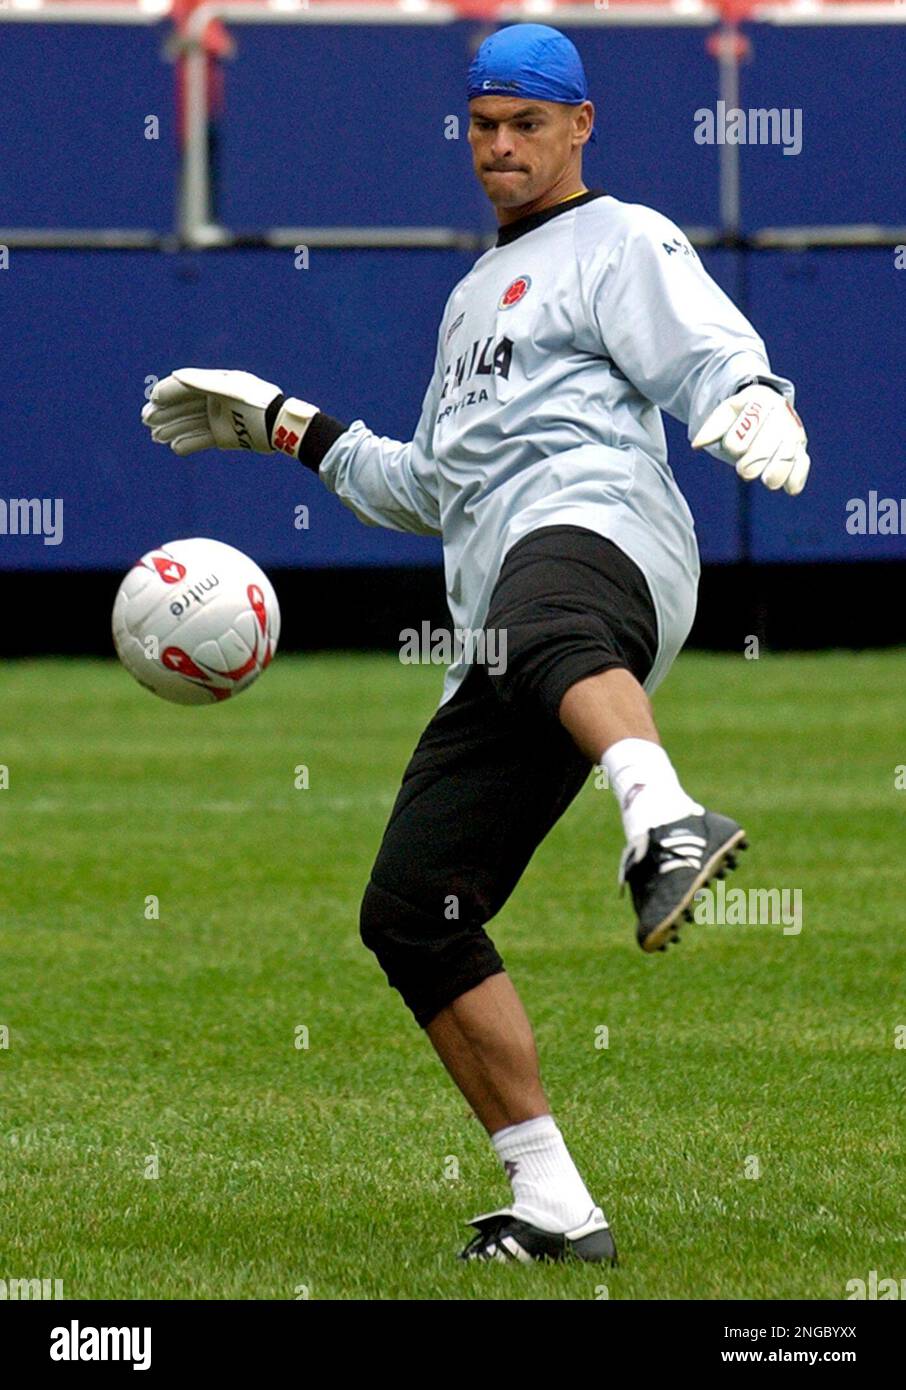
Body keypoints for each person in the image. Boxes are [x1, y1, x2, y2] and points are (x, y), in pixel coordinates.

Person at [142, 23, 810, 1266]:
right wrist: (284, 421)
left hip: (604, 547)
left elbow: (707, 349)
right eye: (484, 124)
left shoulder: (623, 236)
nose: (501, 146)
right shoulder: (466, 303)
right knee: (413, 909)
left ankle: (664, 816)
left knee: (541, 610)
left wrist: (753, 398)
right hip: (510, 621)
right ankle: (553, 1200)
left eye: (527, 124)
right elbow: (428, 485)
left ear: (581, 125)